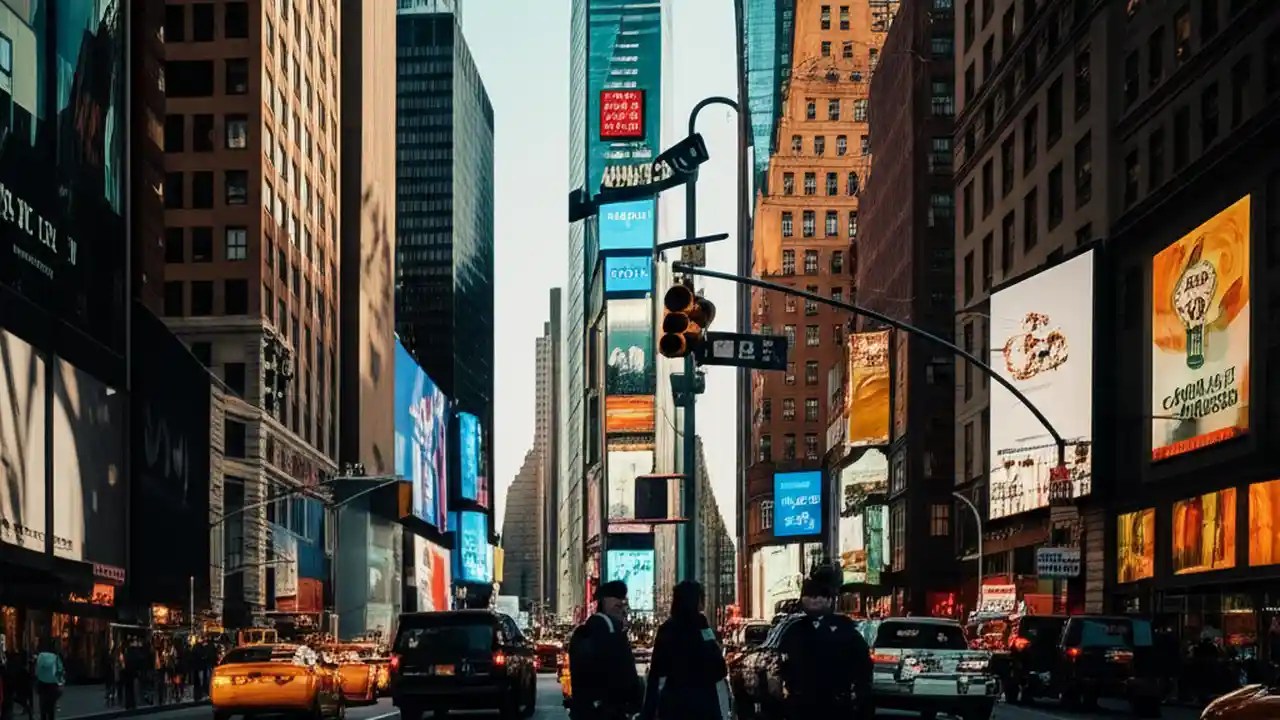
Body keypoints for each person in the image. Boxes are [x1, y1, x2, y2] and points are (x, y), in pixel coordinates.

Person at [776, 575, 873, 720]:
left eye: (819, 596)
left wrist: (859, 695)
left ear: (829, 600)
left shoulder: (845, 628)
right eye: (809, 596)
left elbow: (863, 665)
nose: (814, 600)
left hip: (836, 702)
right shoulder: (793, 629)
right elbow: (781, 662)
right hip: (801, 703)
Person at [641, 581, 729, 720]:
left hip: (673, 705)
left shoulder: (666, 629)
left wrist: (648, 712)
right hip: (703, 705)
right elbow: (719, 667)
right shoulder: (701, 626)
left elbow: (656, 673)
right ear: (697, 601)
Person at [568, 580, 642, 720]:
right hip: (608, 710)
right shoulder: (611, 630)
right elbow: (624, 670)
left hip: (585, 708)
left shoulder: (583, 630)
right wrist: (634, 703)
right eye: (619, 606)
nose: (622, 610)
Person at [32, 641, 64, 720]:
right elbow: (60, 670)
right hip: (53, 683)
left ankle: (43, 717)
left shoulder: (40, 656)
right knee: (51, 706)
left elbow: (37, 671)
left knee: (42, 704)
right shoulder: (55, 657)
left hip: (42, 683)